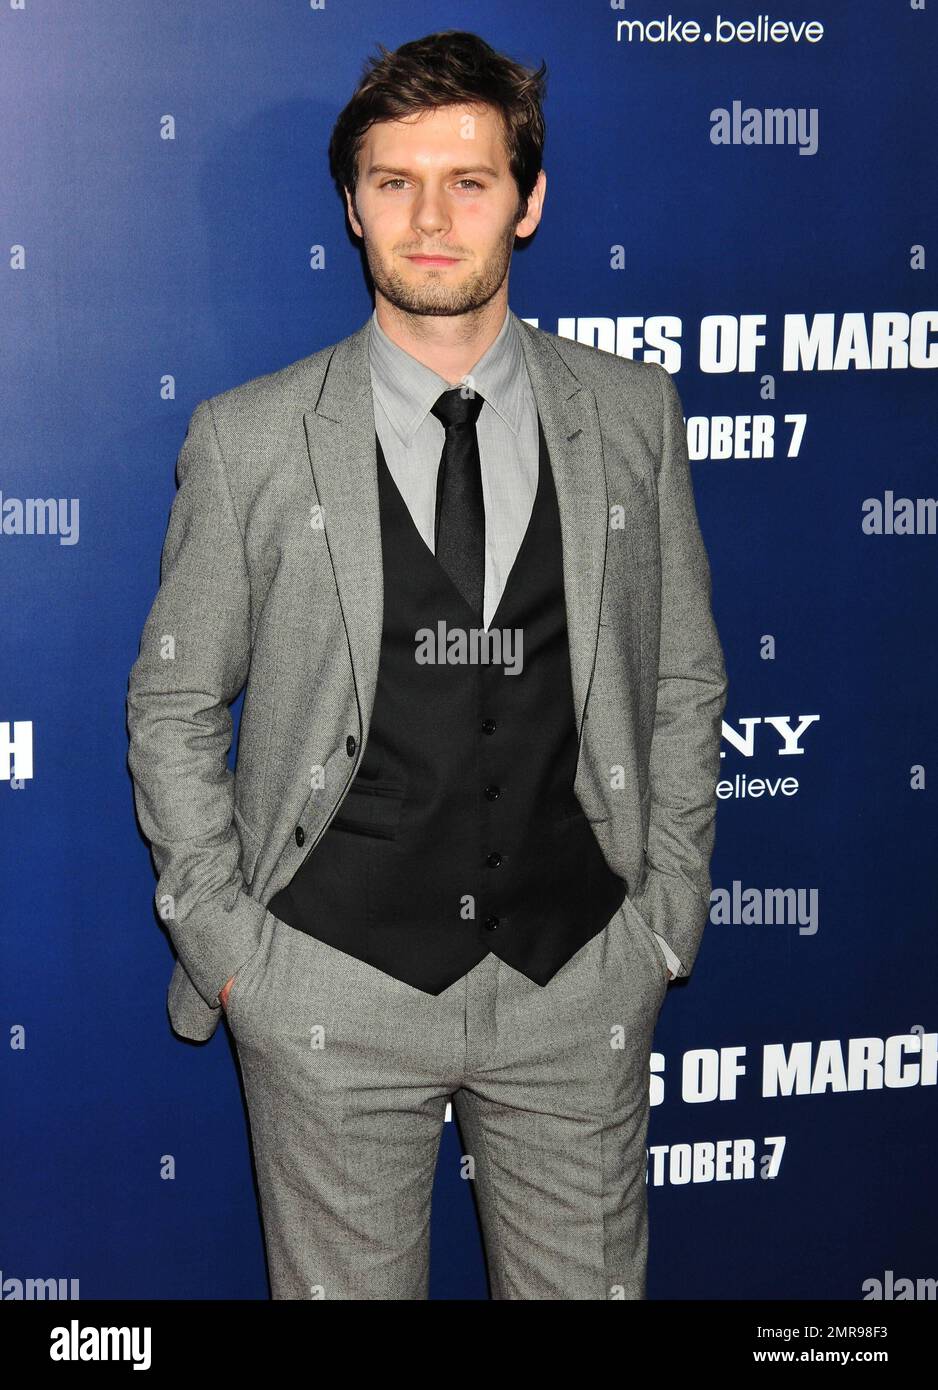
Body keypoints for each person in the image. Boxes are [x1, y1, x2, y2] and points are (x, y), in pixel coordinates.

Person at [126, 29, 728, 1300]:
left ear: (529, 201)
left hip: (580, 980)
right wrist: (235, 953)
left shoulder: (631, 416)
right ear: (350, 204)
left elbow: (681, 680)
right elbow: (176, 698)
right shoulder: (248, 438)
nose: (432, 216)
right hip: (327, 987)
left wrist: (661, 917)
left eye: (469, 180)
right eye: (395, 181)